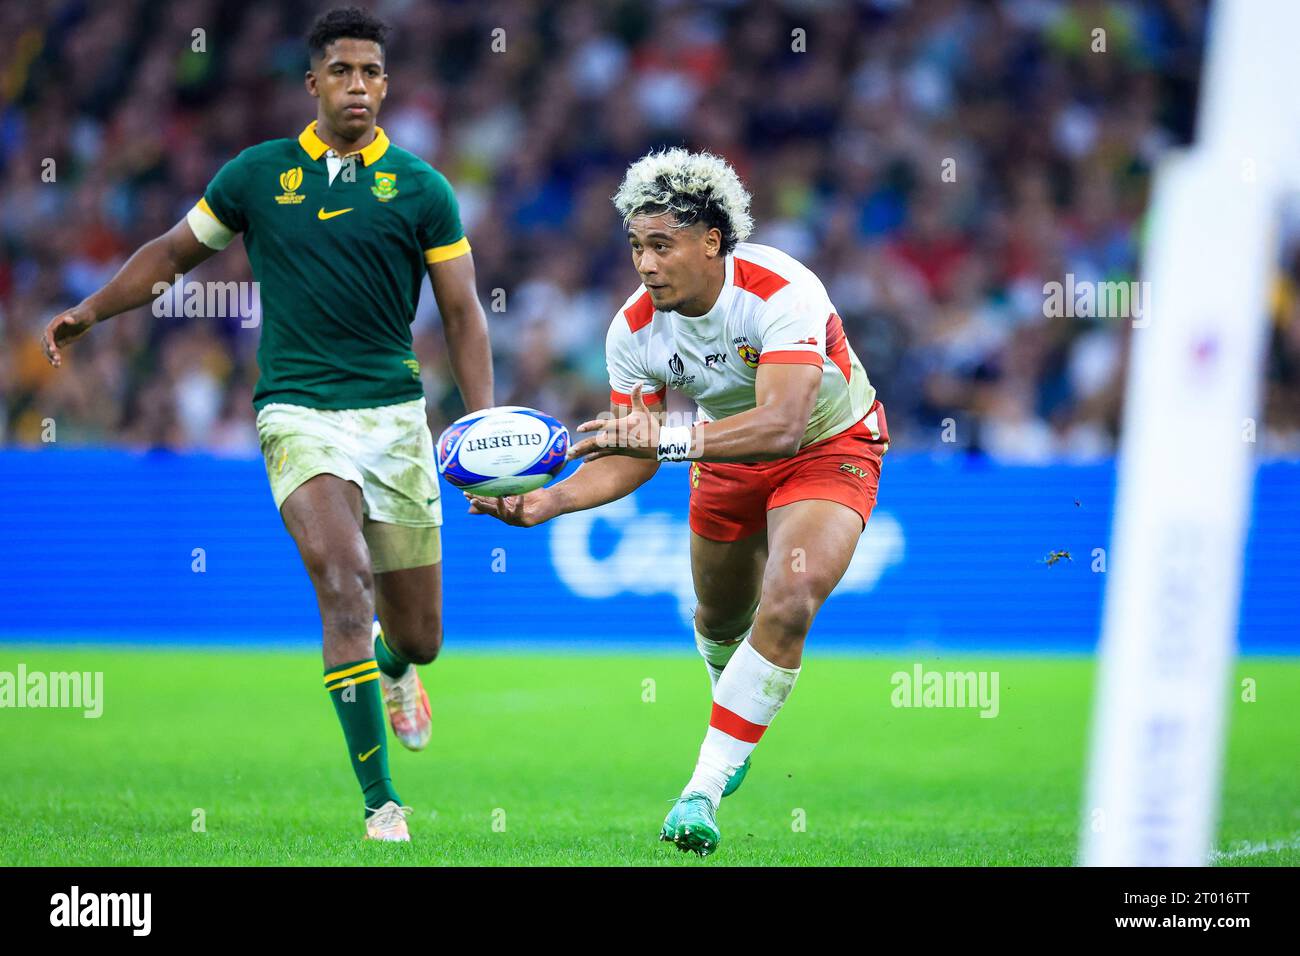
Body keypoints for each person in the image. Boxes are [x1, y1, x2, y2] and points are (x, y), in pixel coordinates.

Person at [39, 7, 493, 842]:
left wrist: (486, 423)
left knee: (422, 637)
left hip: (395, 418)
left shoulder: (422, 188)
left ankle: (396, 672)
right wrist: (92, 309)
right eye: (343, 71)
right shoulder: (259, 176)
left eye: (373, 73)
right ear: (313, 81)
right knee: (342, 580)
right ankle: (382, 806)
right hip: (298, 412)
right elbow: (174, 255)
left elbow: (463, 313)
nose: (359, 85)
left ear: (386, 86)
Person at [466, 147, 888, 857]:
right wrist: (548, 503)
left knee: (791, 594)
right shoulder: (632, 330)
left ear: (711, 241)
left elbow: (782, 423)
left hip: (826, 445)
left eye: (661, 245)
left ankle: (702, 788)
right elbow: (633, 456)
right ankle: (738, 717)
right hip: (723, 457)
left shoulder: (782, 290)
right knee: (718, 619)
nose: (646, 264)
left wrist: (666, 437)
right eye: (636, 246)